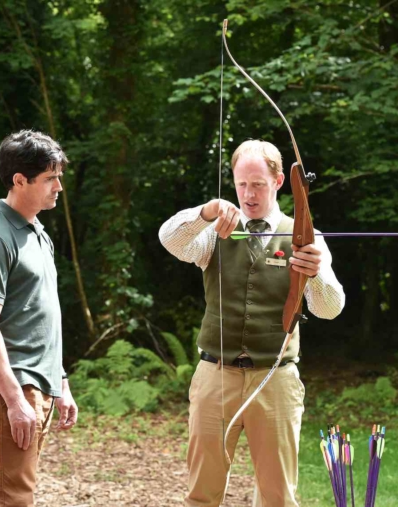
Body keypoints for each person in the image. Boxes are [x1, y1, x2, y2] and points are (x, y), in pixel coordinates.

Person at [159, 139, 345, 507]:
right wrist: (206, 212)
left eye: (258, 184)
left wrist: (317, 271)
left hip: (275, 379)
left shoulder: (304, 236)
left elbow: (330, 308)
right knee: (202, 492)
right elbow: (170, 239)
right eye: (241, 184)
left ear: (279, 182)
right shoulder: (216, 230)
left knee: (278, 496)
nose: (248, 194)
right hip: (216, 374)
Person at [0, 130, 79, 507]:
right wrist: (14, 399)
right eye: (50, 178)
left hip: (38, 384)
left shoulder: (38, 233)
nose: (59, 187)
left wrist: (59, 379)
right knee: (9, 499)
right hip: (10, 388)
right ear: (19, 180)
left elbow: (38, 314)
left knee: (12, 493)